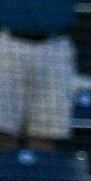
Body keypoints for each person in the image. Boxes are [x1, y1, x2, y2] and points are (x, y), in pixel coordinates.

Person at [0, 0, 75, 151]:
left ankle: (40, 165)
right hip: (10, 41)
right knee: (3, 132)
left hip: (54, 45)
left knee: (46, 133)